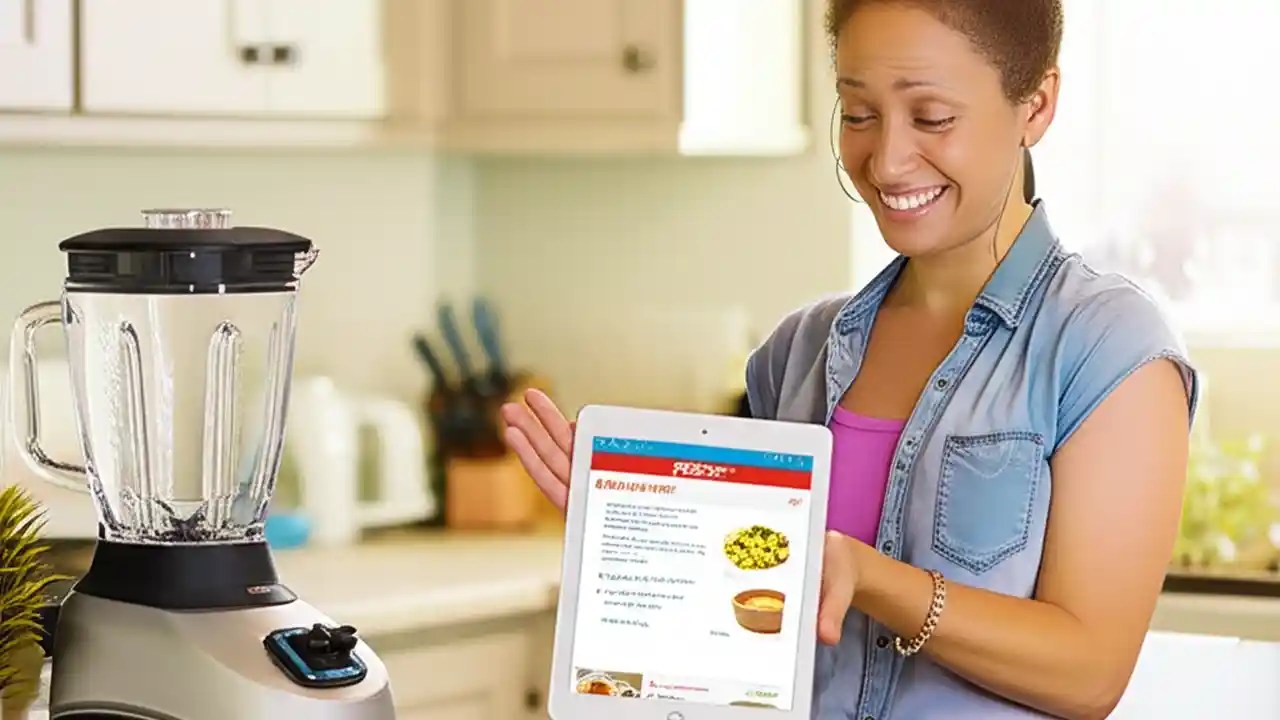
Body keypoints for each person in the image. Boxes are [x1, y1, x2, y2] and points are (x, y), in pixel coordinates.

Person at [500, 1, 1199, 718]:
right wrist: (650, 534)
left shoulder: (1105, 346)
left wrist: (873, 580)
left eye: (931, 117)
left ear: (1037, 105)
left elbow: (1089, 673)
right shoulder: (797, 353)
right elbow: (741, 652)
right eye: (860, 114)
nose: (887, 160)